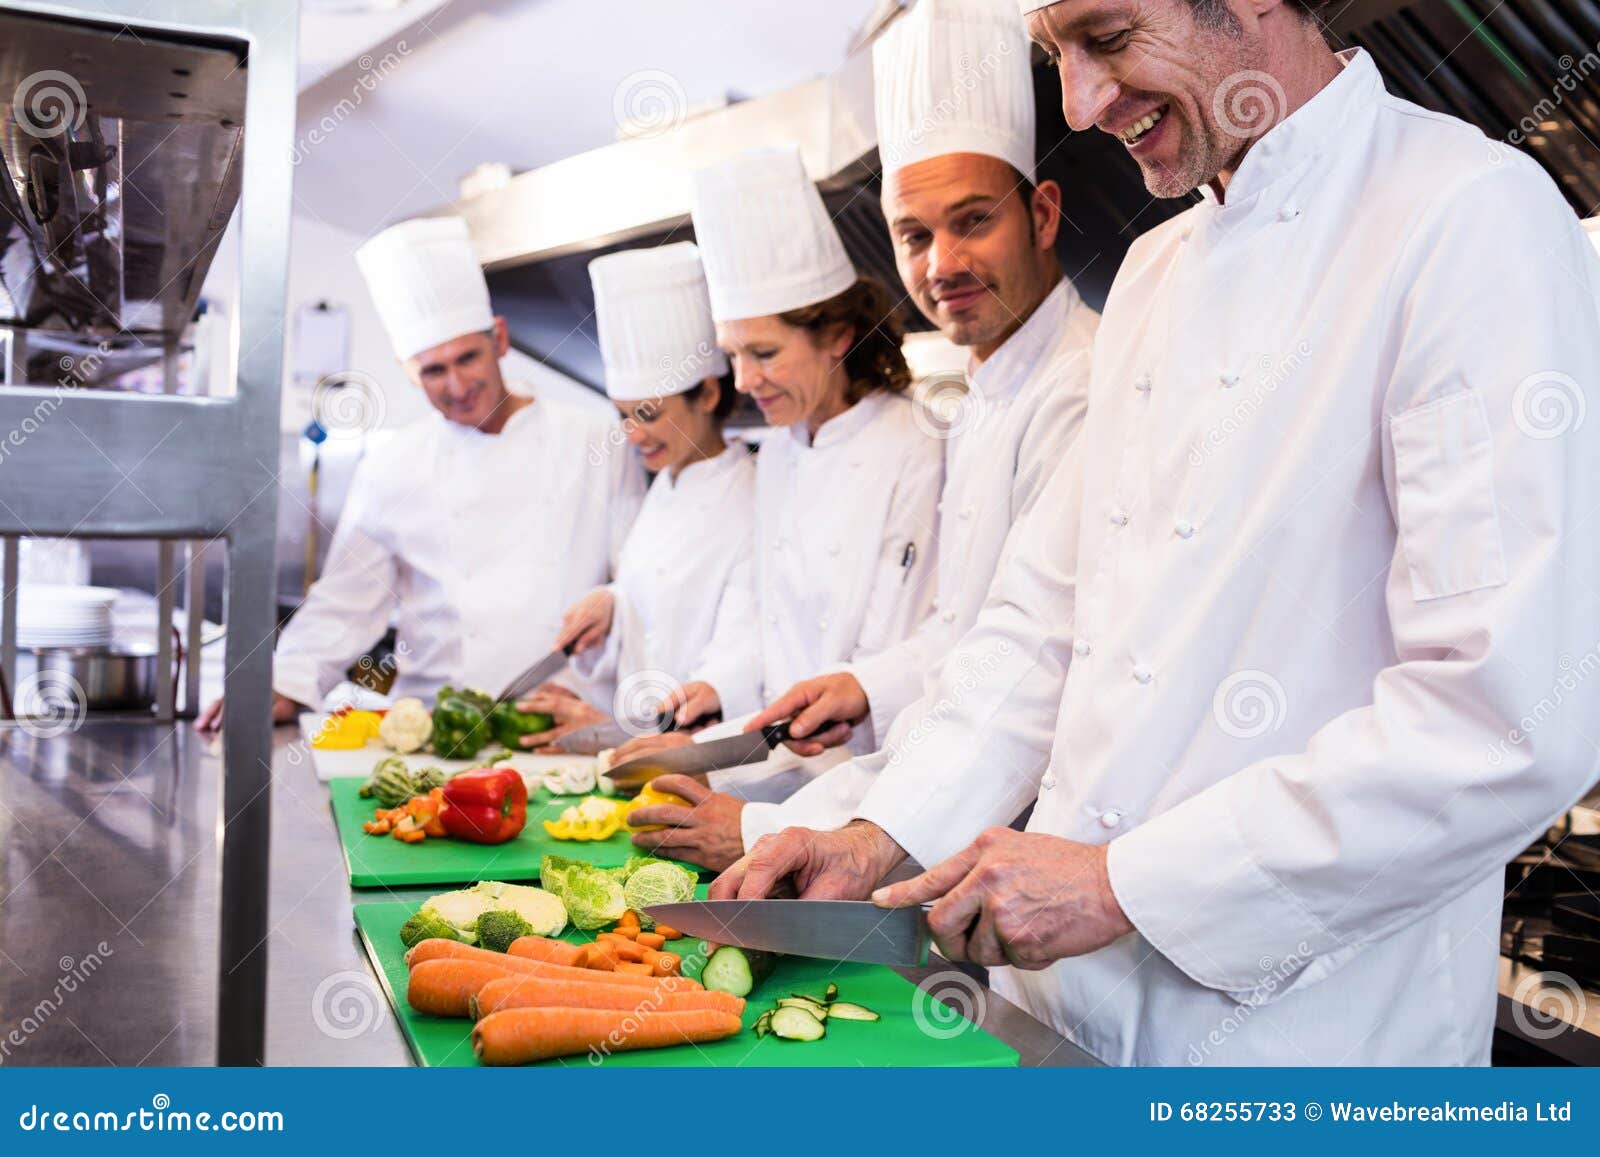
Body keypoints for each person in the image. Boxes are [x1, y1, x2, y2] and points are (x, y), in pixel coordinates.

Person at [711, 0, 1600, 1066]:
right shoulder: (1154, 269)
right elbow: (1041, 622)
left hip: (1303, 1044)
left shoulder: (1465, 216)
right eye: (1057, 59)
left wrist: (1126, 882)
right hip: (1061, 1014)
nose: (1081, 106)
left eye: (1110, 40)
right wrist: (879, 834)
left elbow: (1503, 718)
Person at [630, 0, 1099, 869]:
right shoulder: (985, 400)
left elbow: (1025, 671)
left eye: (972, 219)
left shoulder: (1079, 388)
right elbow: (956, 642)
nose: (942, 264)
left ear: (1040, 214)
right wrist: (861, 689)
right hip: (924, 808)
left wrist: (811, 827)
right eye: (914, 234)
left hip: (1006, 832)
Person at [197, 217, 644, 730]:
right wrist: (283, 683)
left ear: (499, 339)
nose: (456, 385)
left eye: (467, 358)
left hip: (559, 721)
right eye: (432, 370)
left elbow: (638, 575)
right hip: (434, 728)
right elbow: (346, 599)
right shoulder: (394, 464)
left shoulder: (595, 440)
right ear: (407, 370)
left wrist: (613, 600)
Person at [615, 143, 945, 807]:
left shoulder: (917, 445)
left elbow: (893, 658)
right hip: (772, 766)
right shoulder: (783, 452)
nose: (744, 381)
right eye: (735, 355)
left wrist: (723, 758)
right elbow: (765, 622)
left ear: (836, 335)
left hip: (870, 785)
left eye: (764, 352)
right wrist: (719, 693)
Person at [515, 243, 760, 748]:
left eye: (647, 414)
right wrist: (612, 602)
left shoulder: (756, 499)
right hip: (640, 758)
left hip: (701, 769)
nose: (631, 433)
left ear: (709, 394)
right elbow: (654, 611)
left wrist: (610, 732)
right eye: (622, 414)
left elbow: (734, 676)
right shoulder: (666, 486)